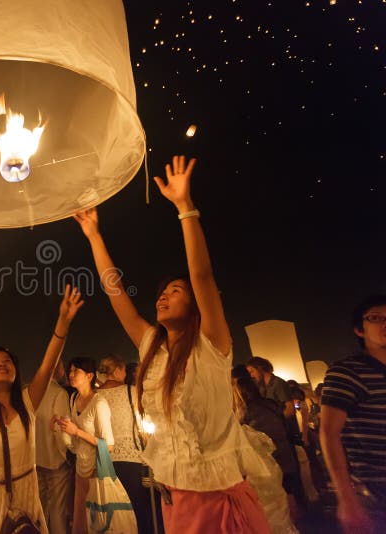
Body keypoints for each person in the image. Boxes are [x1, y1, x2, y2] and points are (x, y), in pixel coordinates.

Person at [74, 155, 270, 534]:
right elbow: (115, 293)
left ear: (195, 305)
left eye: (175, 291)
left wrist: (184, 207)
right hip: (176, 499)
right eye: (161, 292)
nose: (163, 296)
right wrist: (94, 236)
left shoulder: (211, 344)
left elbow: (202, 275)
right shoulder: (152, 349)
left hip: (218, 498)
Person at [0, 274, 84, 534]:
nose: (2, 364)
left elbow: (48, 365)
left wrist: (63, 322)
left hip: (26, 498)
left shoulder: (27, 402)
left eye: (7, 361)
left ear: (15, 370)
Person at [320, 294, 386, 534]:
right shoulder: (347, 371)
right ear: (360, 330)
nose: (385, 323)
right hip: (376, 494)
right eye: (376, 318)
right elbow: (329, 434)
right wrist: (347, 499)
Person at [97, 355, 163, 534]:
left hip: (103, 460)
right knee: (138, 509)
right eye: (124, 370)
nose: (125, 374)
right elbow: (144, 421)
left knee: (113, 513)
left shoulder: (94, 395)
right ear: (117, 370)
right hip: (131, 458)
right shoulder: (131, 391)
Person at [231, 365, 301, 521]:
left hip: (268, 461)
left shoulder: (244, 412)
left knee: (276, 503)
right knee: (289, 494)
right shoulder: (270, 403)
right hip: (284, 454)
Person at [55, 357, 114, 534]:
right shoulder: (74, 399)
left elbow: (108, 445)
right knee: (81, 521)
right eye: (70, 370)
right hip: (80, 469)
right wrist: (61, 424)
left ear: (89, 376)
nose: (71, 374)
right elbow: (75, 442)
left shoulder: (99, 403)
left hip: (96, 472)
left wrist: (77, 431)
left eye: (76, 371)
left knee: (97, 522)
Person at [35, 360, 73, 534]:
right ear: (58, 370)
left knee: (40, 512)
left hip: (35, 460)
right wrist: (66, 456)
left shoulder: (30, 392)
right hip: (56, 460)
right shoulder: (59, 393)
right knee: (58, 511)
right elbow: (61, 429)